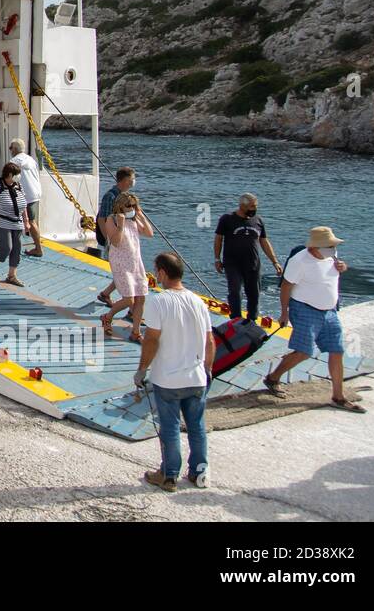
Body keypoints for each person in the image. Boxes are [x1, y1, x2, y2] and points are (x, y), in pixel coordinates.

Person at [263, 227, 365, 412]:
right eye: (330, 245)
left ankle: (338, 396)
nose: (333, 248)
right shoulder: (299, 261)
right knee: (304, 351)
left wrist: (343, 267)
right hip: (304, 309)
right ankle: (273, 377)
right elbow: (286, 286)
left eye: (334, 245)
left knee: (337, 350)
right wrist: (284, 313)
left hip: (329, 311)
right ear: (315, 246)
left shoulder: (331, 255)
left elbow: (333, 272)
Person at [136, 252, 214, 492]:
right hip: (196, 376)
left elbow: (151, 340)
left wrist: (141, 370)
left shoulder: (158, 302)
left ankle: (169, 475)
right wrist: (207, 370)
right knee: (197, 427)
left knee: (169, 428)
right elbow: (210, 341)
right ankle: (199, 472)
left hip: (168, 379)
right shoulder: (198, 302)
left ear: (161, 273)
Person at [214, 192, 282, 322]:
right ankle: (236, 319)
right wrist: (217, 259)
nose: (254, 209)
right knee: (235, 291)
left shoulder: (258, 220)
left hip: (253, 263)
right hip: (232, 263)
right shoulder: (227, 219)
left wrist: (275, 262)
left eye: (255, 206)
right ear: (242, 206)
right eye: (252, 206)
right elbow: (218, 239)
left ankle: (252, 320)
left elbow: (264, 241)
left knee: (254, 293)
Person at [100, 192, 153, 342]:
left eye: (134, 206)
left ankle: (135, 332)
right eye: (129, 205)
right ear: (120, 206)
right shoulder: (112, 219)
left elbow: (150, 233)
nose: (131, 208)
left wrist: (141, 215)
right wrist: (121, 225)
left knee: (141, 297)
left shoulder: (134, 220)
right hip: (120, 263)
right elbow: (116, 242)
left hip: (135, 261)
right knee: (129, 299)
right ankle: (107, 317)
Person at [95, 167, 136, 305]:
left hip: (121, 239)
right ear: (124, 180)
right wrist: (109, 241)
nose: (133, 183)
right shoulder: (110, 196)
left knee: (123, 270)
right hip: (113, 240)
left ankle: (105, 294)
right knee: (124, 270)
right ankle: (129, 307)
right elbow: (102, 219)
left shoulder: (125, 197)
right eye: (131, 180)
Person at [0, 163, 30, 286]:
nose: (18, 176)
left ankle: (12, 275)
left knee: (17, 248)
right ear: (9, 174)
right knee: (6, 247)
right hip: (1, 221)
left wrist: (26, 220)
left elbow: (24, 204)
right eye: (16, 174)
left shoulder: (19, 186)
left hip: (17, 222)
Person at [8, 138, 44, 257]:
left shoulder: (13, 161)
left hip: (22, 195)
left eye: (10, 148)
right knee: (32, 221)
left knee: (14, 221)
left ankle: (14, 247)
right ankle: (38, 247)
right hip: (35, 194)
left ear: (14, 149)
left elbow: (9, 180)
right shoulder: (31, 159)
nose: (10, 150)